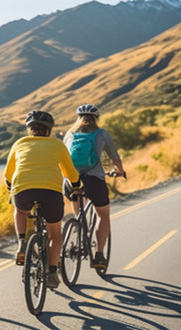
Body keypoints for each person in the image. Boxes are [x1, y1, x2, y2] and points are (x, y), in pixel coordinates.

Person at [4, 110, 81, 289]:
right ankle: (52, 272)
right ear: (49, 130)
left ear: (29, 129)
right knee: (55, 232)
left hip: (23, 190)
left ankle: (22, 243)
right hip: (51, 193)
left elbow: (8, 174)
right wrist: (77, 186)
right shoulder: (57, 145)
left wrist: (11, 187)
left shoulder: (20, 143)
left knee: (21, 211)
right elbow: (71, 174)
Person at [63, 104, 125, 270]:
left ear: (78, 118)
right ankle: (98, 255)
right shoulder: (101, 133)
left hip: (71, 181)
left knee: (78, 211)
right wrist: (120, 170)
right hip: (94, 180)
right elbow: (114, 155)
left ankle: (78, 229)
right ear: (96, 119)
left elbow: (63, 158)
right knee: (103, 215)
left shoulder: (69, 134)